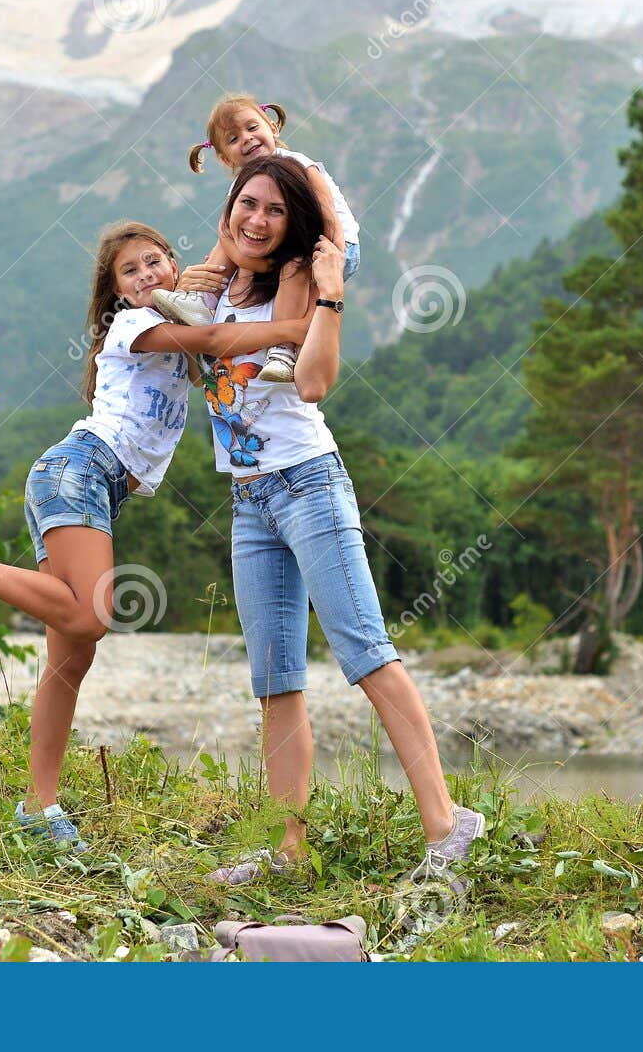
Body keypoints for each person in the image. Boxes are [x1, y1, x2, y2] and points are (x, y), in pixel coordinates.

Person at [0, 221, 306, 853]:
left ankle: (37, 809)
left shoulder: (178, 312)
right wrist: (292, 330)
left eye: (157, 262)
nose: (148, 274)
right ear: (118, 294)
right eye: (132, 271)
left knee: (71, 659)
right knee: (91, 618)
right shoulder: (133, 329)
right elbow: (209, 335)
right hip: (76, 473)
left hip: (91, 487)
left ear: (176, 266)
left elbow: (223, 276)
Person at [173, 155, 483, 886]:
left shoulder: (303, 288)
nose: (256, 219)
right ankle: (287, 851)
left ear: (295, 227)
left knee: (365, 651)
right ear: (228, 210)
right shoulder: (211, 292)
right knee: (275, 680)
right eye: (246, 203)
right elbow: (189, 367)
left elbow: (311, 384)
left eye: (275, 211)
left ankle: (447, 825)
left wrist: (333, 295)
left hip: (309, 484)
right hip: (247, 499)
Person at [155, 93, 359, 384]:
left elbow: (329, 219)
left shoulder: (298, 164)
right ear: (226, 157)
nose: (247, 139)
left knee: (294, 267)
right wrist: (245, 265)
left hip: (335, 248)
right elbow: (226, 235)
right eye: (234, 139)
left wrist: (331, 266)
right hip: (287, 249)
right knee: (231, 240)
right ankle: (203, 301)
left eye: (252, 128)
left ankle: (282, 350)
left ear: (272, 128)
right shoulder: (243, 184)